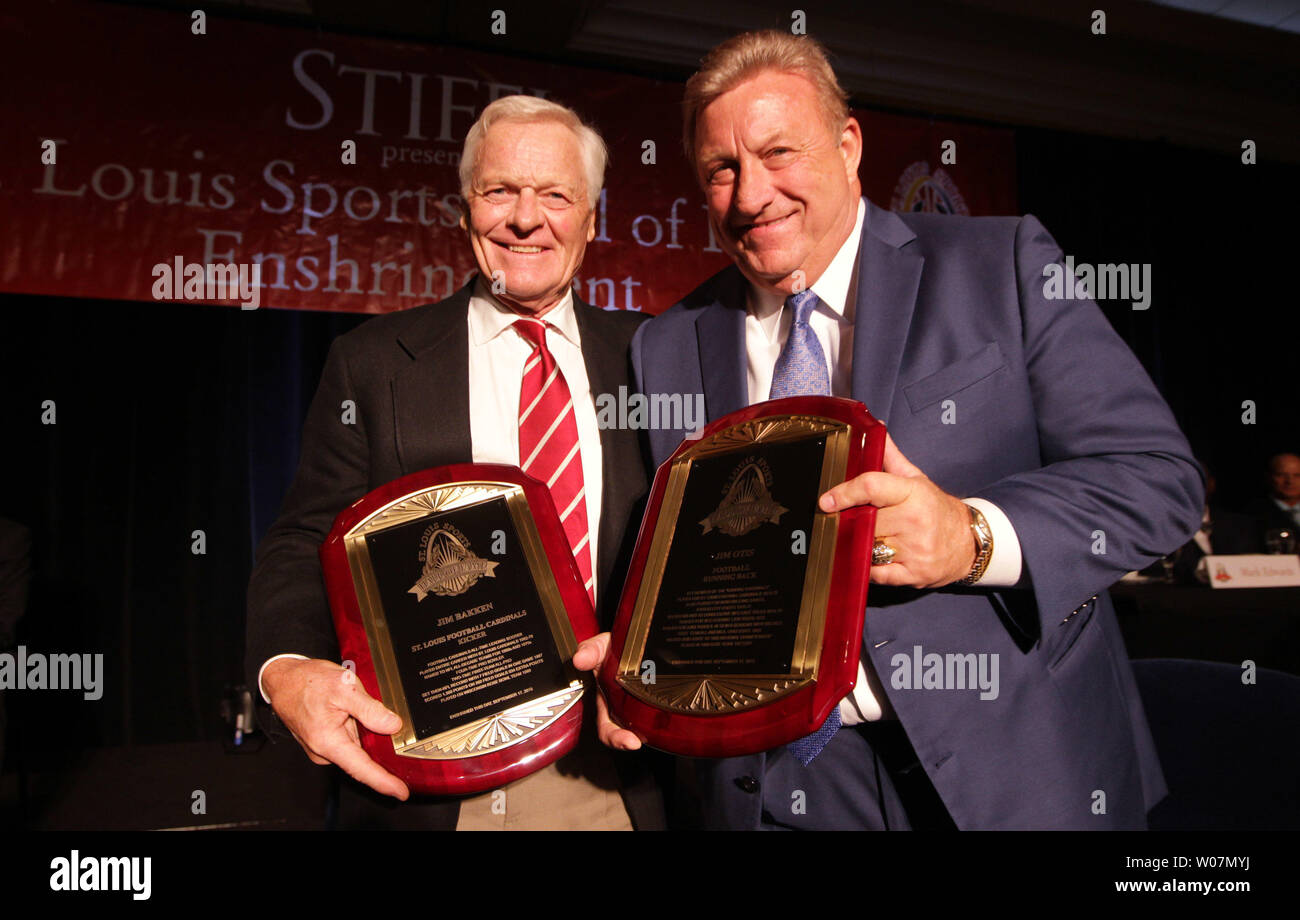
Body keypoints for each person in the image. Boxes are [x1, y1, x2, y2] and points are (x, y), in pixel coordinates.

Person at [589, 30, 1203, 830]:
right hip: (775, 792)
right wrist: (644, 660)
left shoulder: (1004, 263)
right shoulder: (666, 342)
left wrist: (972, 536)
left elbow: (1157, 476)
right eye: (721, 169)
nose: (750, 195)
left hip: (1013, 776)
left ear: (848, 147)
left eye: (779, 153)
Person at [246, 95, 663, 830]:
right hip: (435, 777)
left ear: (592, 220)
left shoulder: (656, 357)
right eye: (500, 190)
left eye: (556, 195)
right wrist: (285, 668)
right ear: (463, 211)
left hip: (622, 775)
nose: (526, 219)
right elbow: (304, 536)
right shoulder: (373, 364)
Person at [1246, 453, 1300, 542]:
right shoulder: (1252, 514)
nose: (1289, 481)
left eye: (1297, 475)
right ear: (1269, 477)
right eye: (1281, 475)